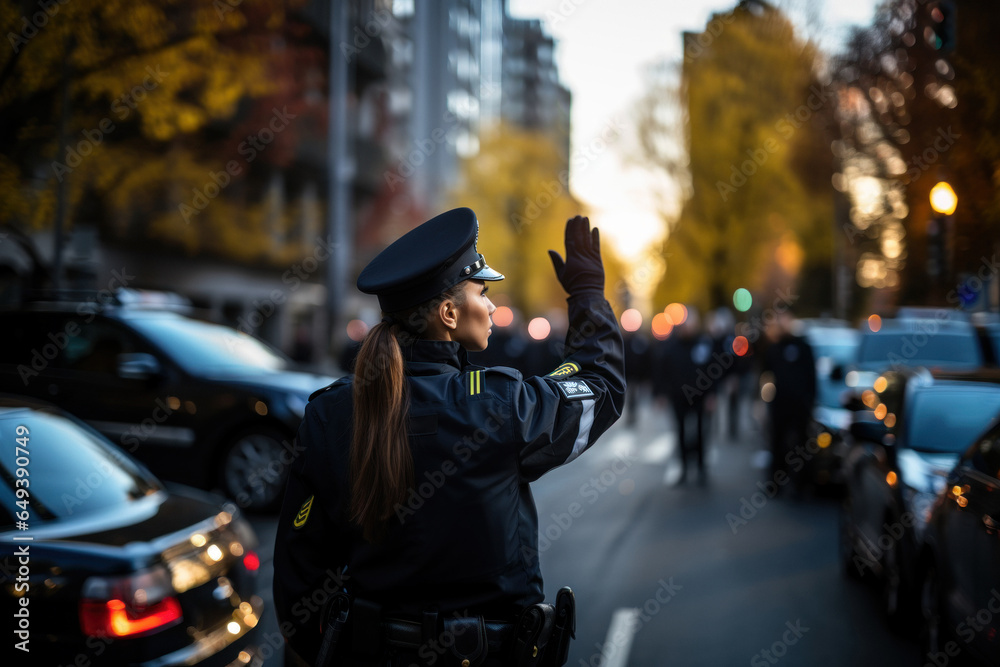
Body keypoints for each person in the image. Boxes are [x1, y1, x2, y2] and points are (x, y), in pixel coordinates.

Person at [273, 209, 626, 666]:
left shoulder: (331, 412)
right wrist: (587, 296)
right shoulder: (500, 404)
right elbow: (601, 385)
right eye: (483, 291)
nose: (493, 305)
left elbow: (298, 578)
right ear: (448, 313)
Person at [762, 310, 816, 491]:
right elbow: (765, 374)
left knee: (800, 445)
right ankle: (776, 483)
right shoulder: (774, 348)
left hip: (800, 405)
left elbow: (811, 376)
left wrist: (810, 401)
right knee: (777, 443)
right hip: (780, 405)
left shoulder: (803, 347)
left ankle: (800, 484)